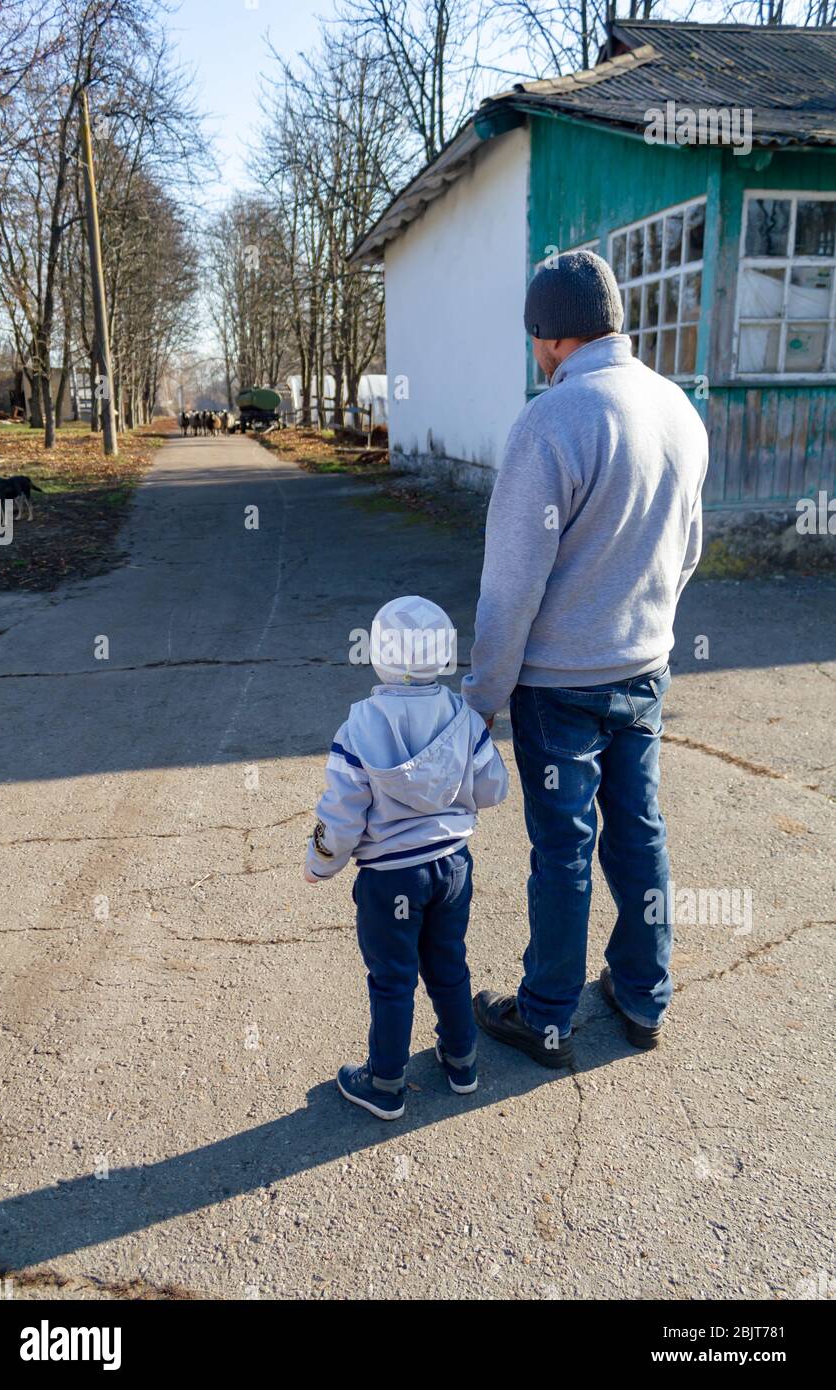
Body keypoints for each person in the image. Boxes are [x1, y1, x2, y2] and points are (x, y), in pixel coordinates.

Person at [462, 250, 708, 1066]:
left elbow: (510, 589)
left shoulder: (551, 423)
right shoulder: (678, 410)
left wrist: (481, 699)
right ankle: (644, 997)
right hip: (644, 670)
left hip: (560, 686)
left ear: (550, 338)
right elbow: (687, 551)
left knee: (563, 848)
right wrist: (644, 625)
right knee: (638, 832)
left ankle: (547, 1015)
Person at [304, 595, 508, 1119]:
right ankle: (462, 1062)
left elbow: (342, 814)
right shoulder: (464, 718)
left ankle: (386, 1082)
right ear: (445, 656)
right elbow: (492, 790)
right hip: (453, 866)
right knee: (449, 965)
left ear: (379, 654)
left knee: (392, 978)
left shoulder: (358, 728)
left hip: (389, 877)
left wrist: (320, 861)